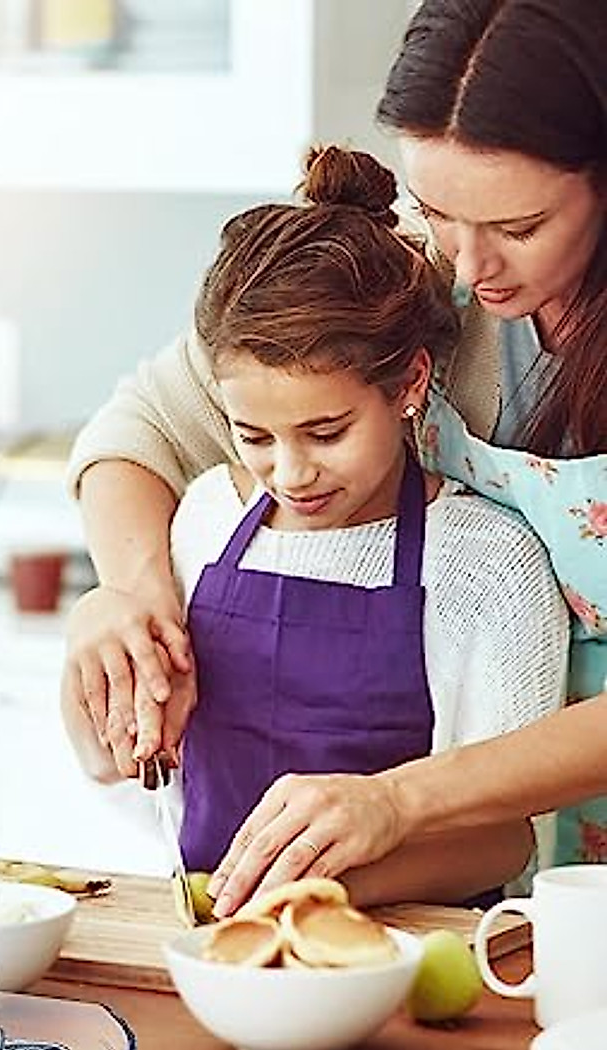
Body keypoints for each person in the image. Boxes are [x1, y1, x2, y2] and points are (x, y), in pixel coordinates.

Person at [63, 0, 606, 915]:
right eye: (438, 212)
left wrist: (399, 801)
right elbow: (142, 431)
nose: (468, 271)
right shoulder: (409, 280)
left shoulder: (490, 565)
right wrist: (135, 601)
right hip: (508, 895)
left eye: (516, 227)